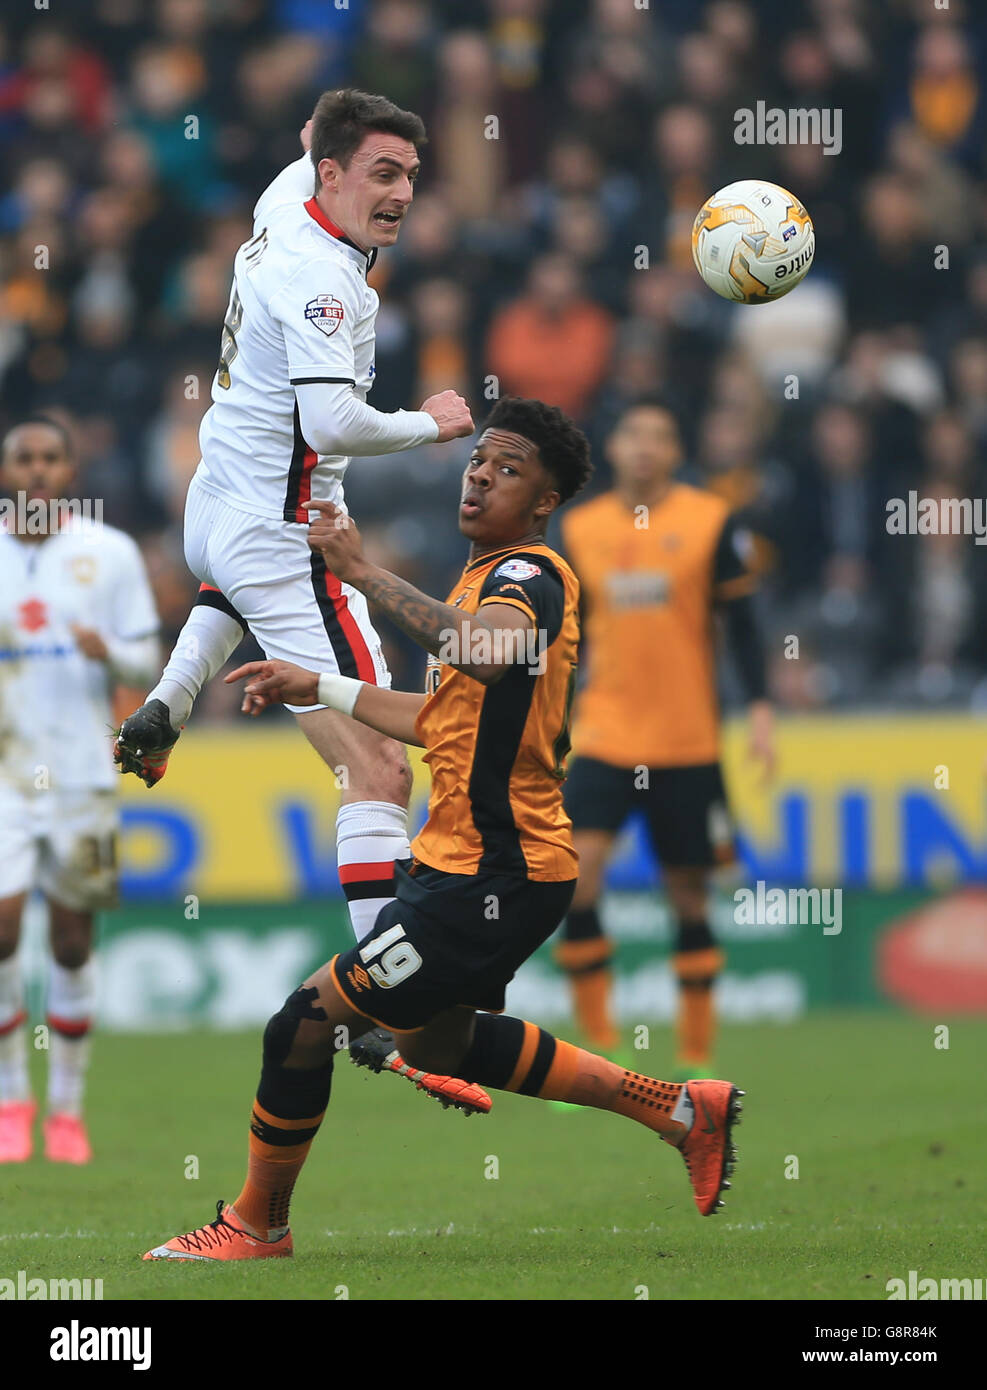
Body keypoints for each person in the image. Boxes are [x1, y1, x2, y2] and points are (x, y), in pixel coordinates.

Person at [141, 396, 743, 1262]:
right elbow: (441, 720)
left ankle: (255, 1225)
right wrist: (324, 687)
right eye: (478, 461)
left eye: (508, 469)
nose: (480, 476)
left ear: (543, 501)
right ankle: (681, 1108)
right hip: (468, 865)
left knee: (305, 1021)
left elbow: (488, 651)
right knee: (440, 1041)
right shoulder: (479, 583)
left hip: (491, 878)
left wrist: (361, 573)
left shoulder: (530, 578)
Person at [114, 89, 482, 1112]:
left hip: (220, 505)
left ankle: (167, 704)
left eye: (411, 175)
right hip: (289, 533)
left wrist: (176, 699)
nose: (402, 194)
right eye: (382, 174)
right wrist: (431, 422)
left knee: (353, 740)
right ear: (330, 175)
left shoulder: (287, 195)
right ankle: (385, 1003)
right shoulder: (324, 280)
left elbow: (305, 138)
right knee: (376, 764)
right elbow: (334, 417)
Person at [556, 398, 774, 1076]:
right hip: (604, 733)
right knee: (575, 876)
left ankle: (696, 1053)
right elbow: (565, 639)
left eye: (660, 435)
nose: (645, 446)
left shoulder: (710, 520)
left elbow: (740, 626)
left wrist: (760, 706)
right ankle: (597, 1047)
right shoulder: (579, 528)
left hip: (687, 739)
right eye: (633, 434)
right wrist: (550, 724)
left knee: (688, 892)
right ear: (612, 449)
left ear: (676, 452)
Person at [0, 416, 160, 1163]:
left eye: (51, 459)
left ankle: (65, 1108)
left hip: (82, 774)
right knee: (0, 935)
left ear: (70, 471)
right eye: (24, 458)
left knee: (69, 944)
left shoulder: (110, 552)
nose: (37, 470)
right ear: (7, 472)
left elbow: (146, 659)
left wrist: (111, 651)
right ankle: (11, 1100)